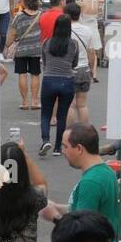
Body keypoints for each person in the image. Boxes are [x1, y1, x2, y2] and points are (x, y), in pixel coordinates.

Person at [41, 123, 121, 242]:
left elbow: (81, 231)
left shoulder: (91, 182)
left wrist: (54, 216)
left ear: (79, 149)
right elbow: (87, 211)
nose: (62, 151)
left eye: (65, 146)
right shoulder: (105, 172)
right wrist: (60, 207)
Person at [38, 15, 79, 157]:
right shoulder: (73, 44)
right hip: (67, 81)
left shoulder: (47, 42)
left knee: (46, 114)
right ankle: (57, 147)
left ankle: (45, 140)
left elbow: (44, 61)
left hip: (49, 80)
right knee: (62, 115)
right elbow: (75, 63)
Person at [66, 2, 103, 124]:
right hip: (84, 69)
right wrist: (92, 69)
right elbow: (91, 52)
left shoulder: (64, 30)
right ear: (79, 14)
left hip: (69, 69)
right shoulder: (87, 30)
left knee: (70, 105)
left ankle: (70, 133)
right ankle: (83, 132)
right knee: (82, 105)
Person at [6, 0, 43, 111]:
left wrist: (7, 44)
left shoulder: (19, 16)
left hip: (21, 49)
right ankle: (35, 101)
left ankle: (25, 102)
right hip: (36, 48)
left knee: (22, 74)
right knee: (35, 74)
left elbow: (13, 33)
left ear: (25, 2)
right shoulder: (41, 15)